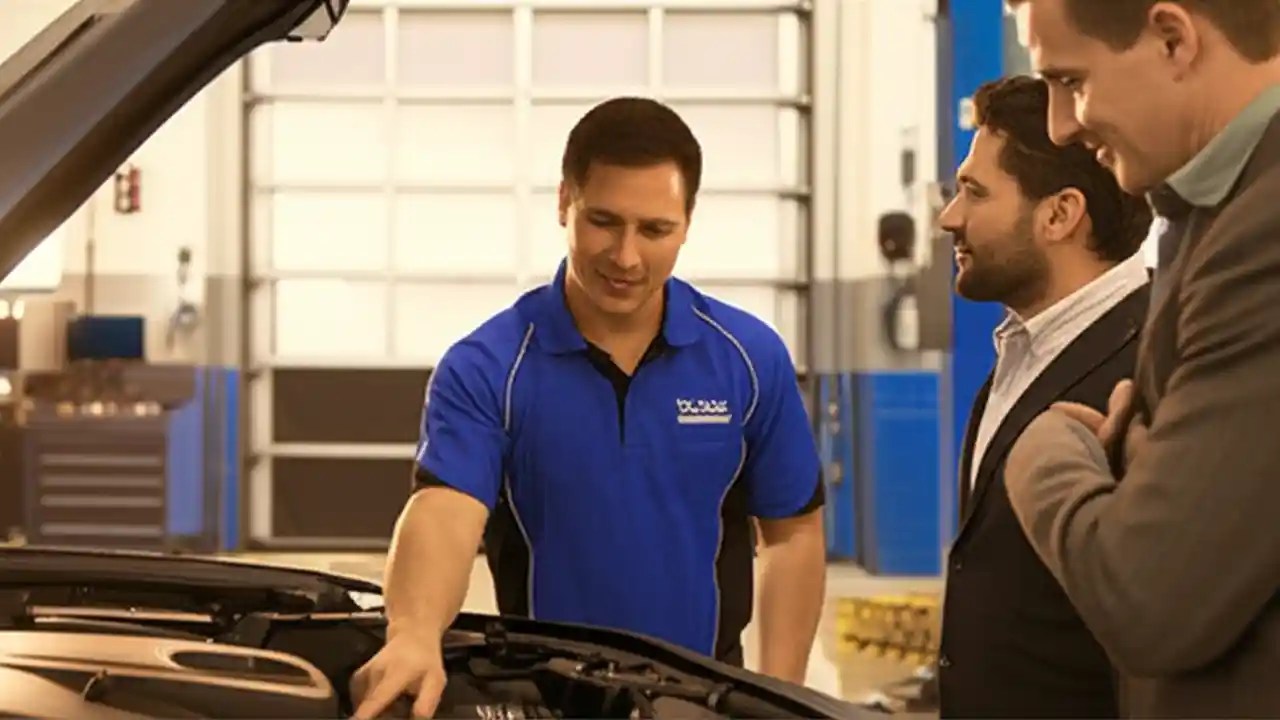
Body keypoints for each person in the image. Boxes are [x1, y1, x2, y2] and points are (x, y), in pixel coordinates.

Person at [349, 96, 827, 720]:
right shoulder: (490, 365)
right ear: (563, 203)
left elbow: (792, 535)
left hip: (701, 700)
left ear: (687, 222)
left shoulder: (748, 358)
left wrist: (775, 695)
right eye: (603, 221)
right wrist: (412, 633)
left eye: (654, 230)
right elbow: (444, 512)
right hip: (549, 699)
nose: (626, 257)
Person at [1001, 0, 1280, 716]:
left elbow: (1154, 598)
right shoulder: (1215, 214)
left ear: (1170, 39)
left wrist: (1044, 449)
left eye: (1072, 82)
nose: (1062, 125)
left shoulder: (1263, 233)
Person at [936, 75, 1152, 719]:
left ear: (1059, 214)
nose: (950, 217)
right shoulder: (1016, 354)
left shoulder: (1154, 363)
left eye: (974, 192)